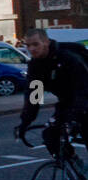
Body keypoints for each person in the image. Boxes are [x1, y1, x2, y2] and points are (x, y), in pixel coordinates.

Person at [15, 28, 88, 158]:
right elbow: (34, 96)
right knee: (50, 136)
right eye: (28, 45)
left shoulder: (68, 58)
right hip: (67, 102)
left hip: (84, 100)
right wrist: (25, 121)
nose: (31, 49)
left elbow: (82, 88)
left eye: (35, 44)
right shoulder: (36, 66)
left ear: (46, 42)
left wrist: (75, 118)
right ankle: (70, 164)